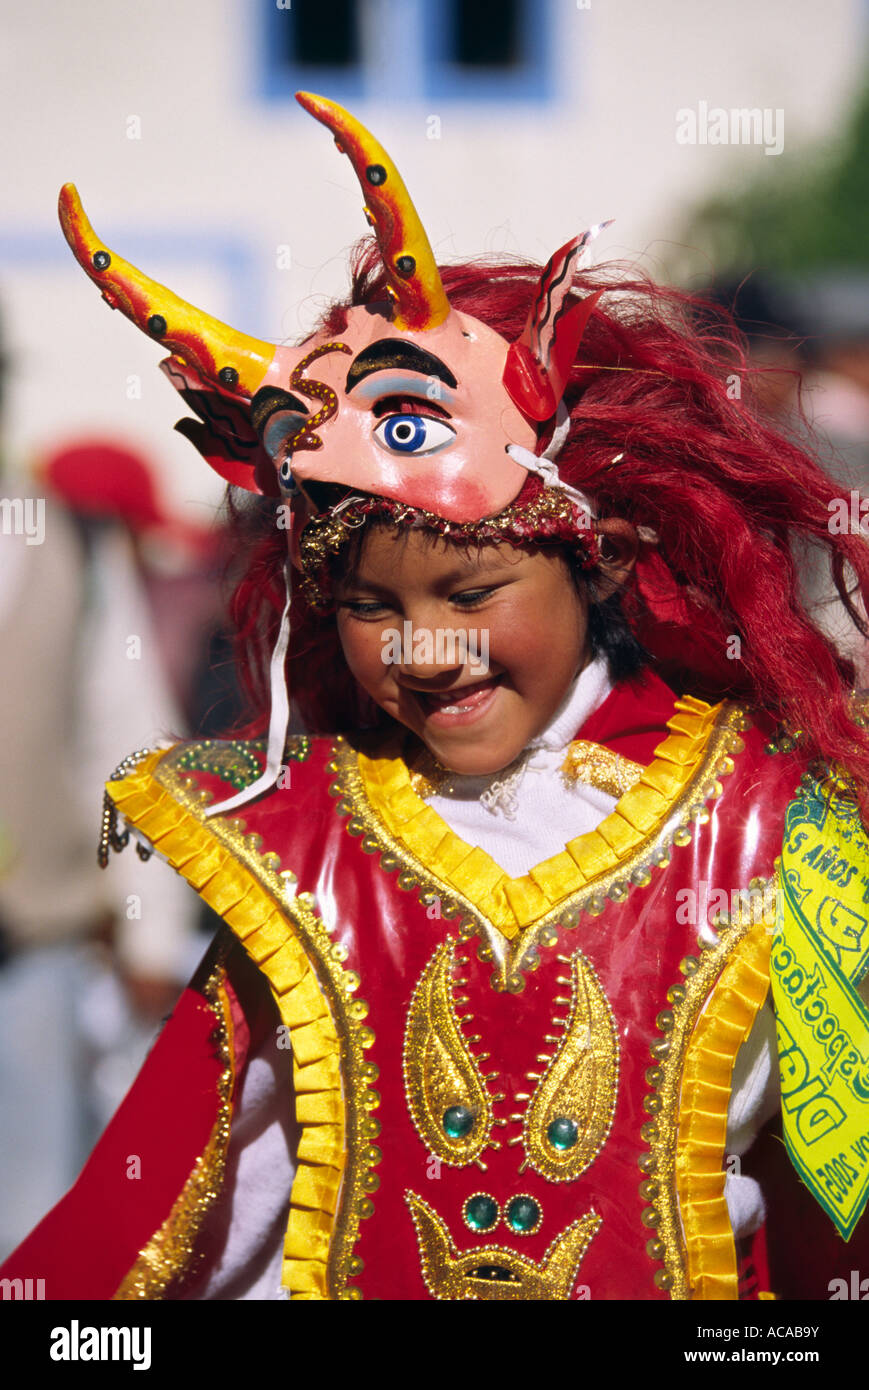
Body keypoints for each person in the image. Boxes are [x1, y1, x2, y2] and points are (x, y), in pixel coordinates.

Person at [3, 93, 869, 1303]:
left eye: (471, 590)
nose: (424, 648)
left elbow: (843, 1217)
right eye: (370, 608)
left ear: (602, 553)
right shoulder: (296, 851)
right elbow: (139, 1225)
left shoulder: (785, 835)